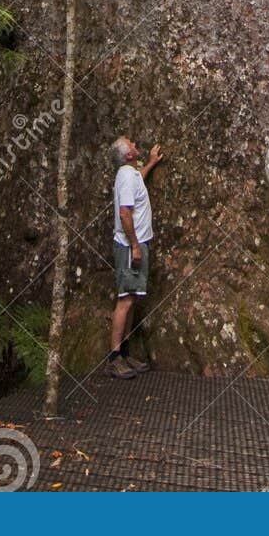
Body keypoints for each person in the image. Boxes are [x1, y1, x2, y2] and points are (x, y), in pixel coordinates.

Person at [108, 134, 163, 378]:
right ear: (129, 155)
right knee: (125, 300)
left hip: (136, 243)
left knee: (132, 298)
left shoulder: (129, 175)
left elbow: (138, 180)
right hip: (130, 246)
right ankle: (114, 358)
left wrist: (150, 163)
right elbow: (124, 213)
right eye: (132, 144)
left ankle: (125, 352)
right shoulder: (126, 177)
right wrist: (135, 246)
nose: (135, 145)